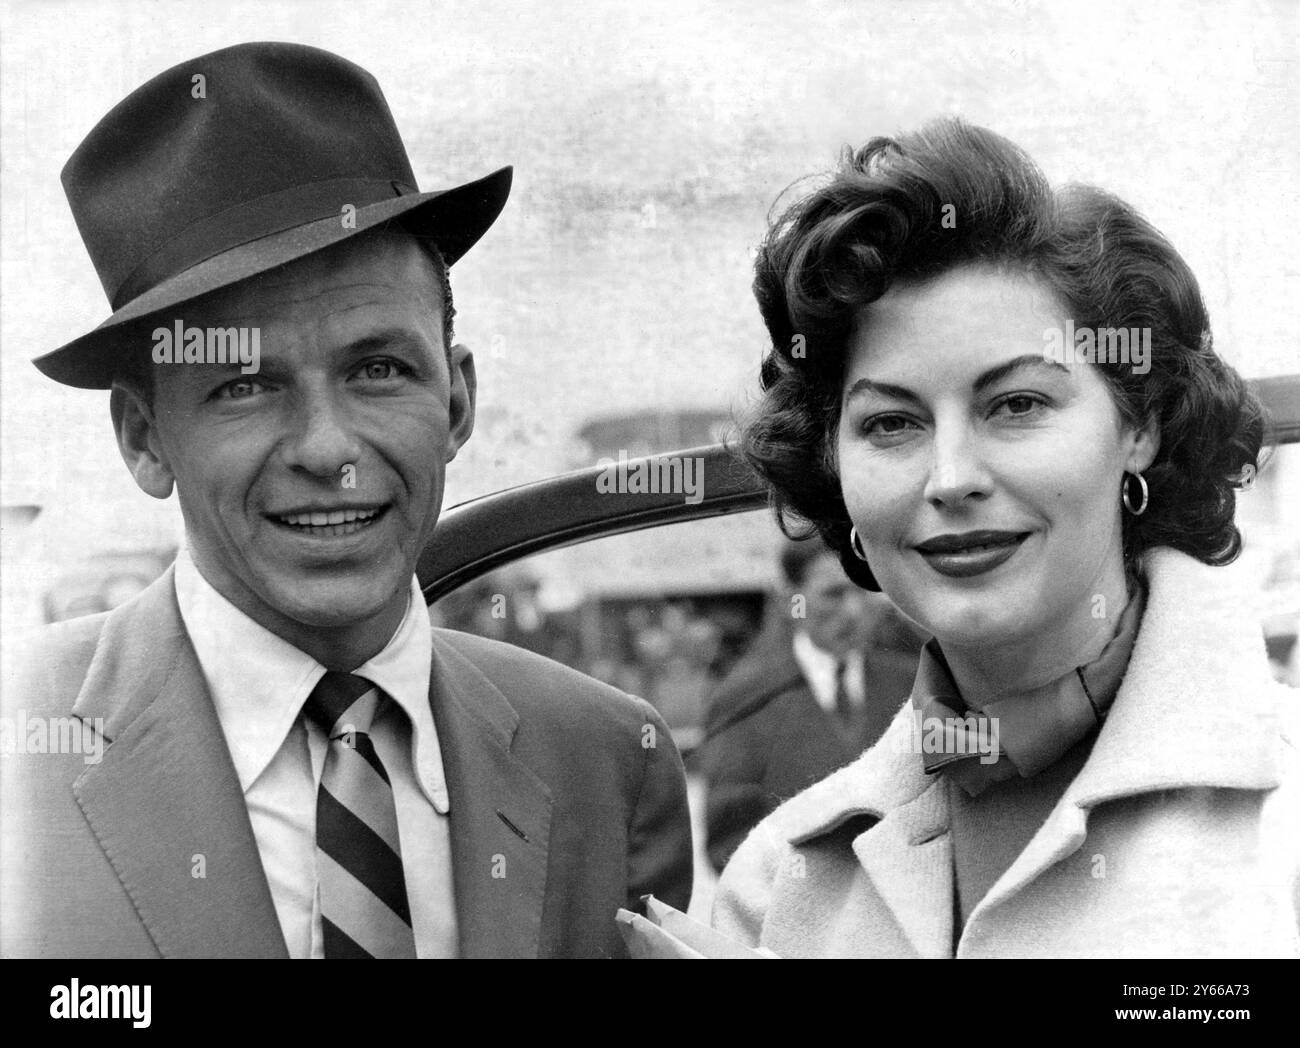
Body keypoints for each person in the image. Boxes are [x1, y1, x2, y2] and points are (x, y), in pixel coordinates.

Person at [0, 42, 692, 959]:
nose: (329, 449)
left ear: (457, 399)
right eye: (244, 384)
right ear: (143, 438)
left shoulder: (609, 762)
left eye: (377, 369)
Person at [712, 118, 1299, 957]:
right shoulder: (778, 883)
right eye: (890, 423)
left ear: (1142, 427)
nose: (950, 477)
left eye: (1017, 404)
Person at [702, 539, 922, 870]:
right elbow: (728, 844)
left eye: (863, 591)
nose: (853, 612)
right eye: (832, 594)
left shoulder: (913, 683)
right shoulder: (745, 699)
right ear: (791, 600)